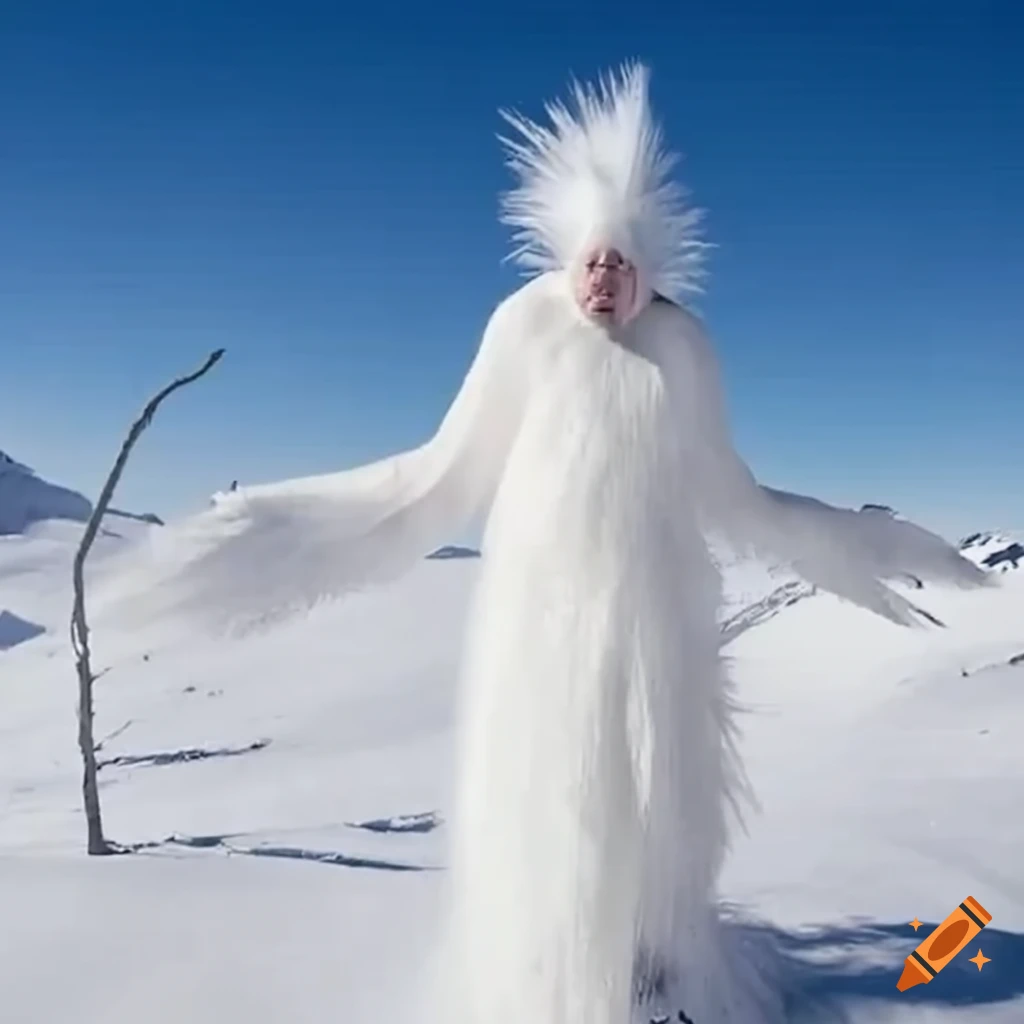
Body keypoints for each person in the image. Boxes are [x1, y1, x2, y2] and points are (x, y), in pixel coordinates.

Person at [133, 64, 988, 1024]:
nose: (601, 280)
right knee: (546, 801)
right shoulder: (523, 327)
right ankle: (548, 983)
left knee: (655, 806)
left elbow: (736, 497)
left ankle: (655, 979)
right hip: (535, 627)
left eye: (621, 264)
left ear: (649, 269)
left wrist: (866, 546)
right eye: (591, 260)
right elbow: (437, 475)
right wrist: (276, 528)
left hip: (657, 624)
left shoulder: (683, 349)